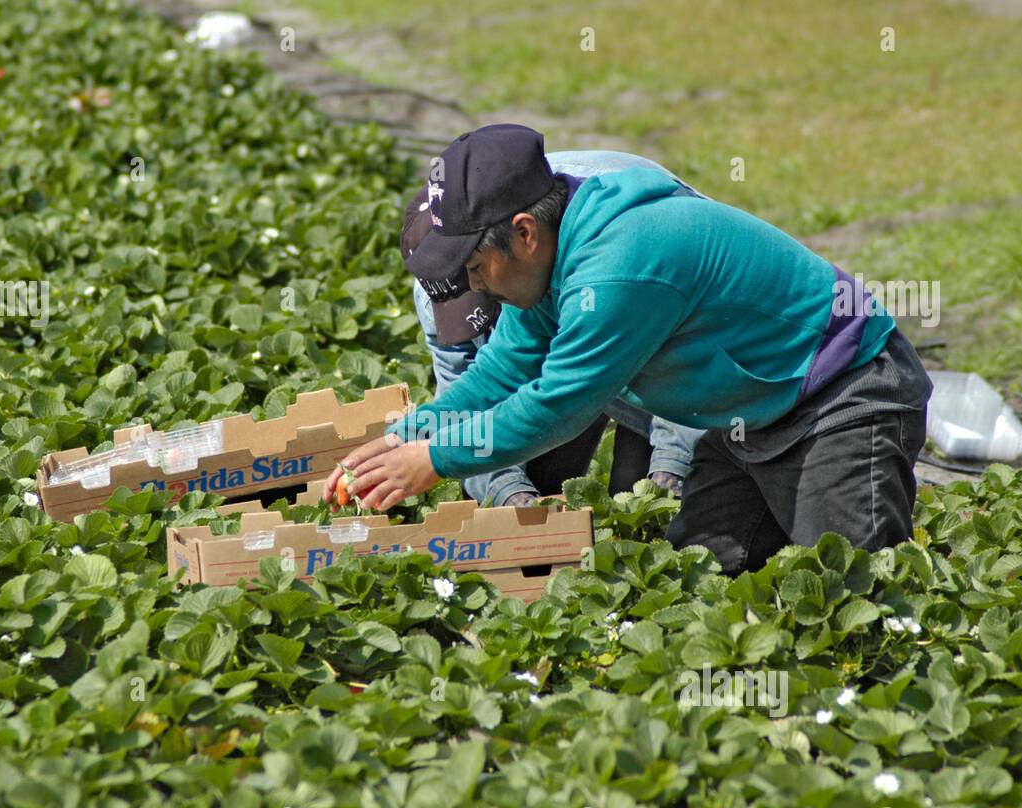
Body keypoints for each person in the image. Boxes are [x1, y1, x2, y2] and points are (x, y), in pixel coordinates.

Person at [327, 124, 933, 575]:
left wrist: (435, 460)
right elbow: (503, 369)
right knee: (699, 574)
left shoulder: (618, 268)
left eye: (476, 268)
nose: (475, 287)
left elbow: (557, 406)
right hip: (749, 420)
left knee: (858, 592)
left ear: (524, 233)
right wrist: (406, 436)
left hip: (842, 398)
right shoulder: (551, 261)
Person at [400, 149, 705, 506]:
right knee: (540, 483)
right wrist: (509, 493)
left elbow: (686, 352)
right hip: (588, 318)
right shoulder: (436, 291)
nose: (485, 292)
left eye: (480, 272)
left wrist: (672, 463)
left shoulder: (595, 242)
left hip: (661, 328)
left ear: (522, 240)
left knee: (642, 490)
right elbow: (468, 404)